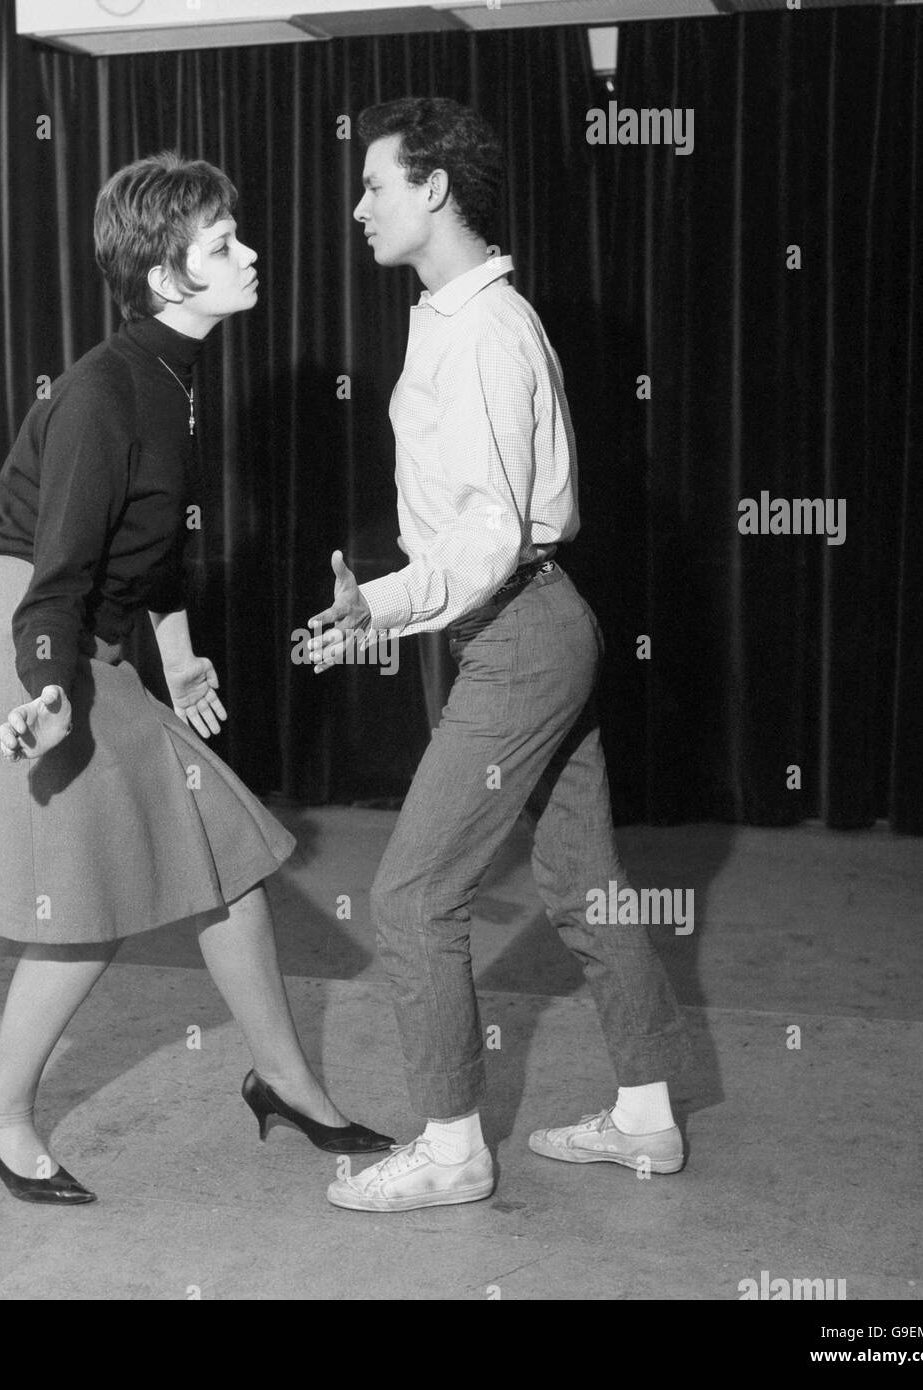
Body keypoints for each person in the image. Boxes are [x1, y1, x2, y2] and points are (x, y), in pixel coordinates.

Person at [0, 153, 391, 1206]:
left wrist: (181, 653)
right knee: (94, 893)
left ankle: (286, 1081)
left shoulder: (173, 380)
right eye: (220, 246)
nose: (248, 254)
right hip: (19, 632)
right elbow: (59, 572)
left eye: (236, 235)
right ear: (166, 277)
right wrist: (51, 686)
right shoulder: (108, 392)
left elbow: (146, 552)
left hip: (70, 634)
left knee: (221, 853)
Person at [307, 98, 691, 1213]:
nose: (358, 205)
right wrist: (390, 608)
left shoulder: (481, 329)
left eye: (375, 184)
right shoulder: (461, 316)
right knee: (585, 886)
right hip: (535, 622)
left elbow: (482, 532)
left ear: (431, 190)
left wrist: (379, 601)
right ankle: (648, 1120)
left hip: (517, 629)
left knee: (412, 893)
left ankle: (449, 1146)